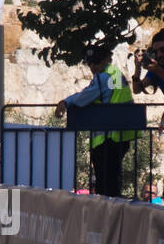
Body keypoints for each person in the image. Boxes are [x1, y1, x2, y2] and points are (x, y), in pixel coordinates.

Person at [55, 41, 136, 198]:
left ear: (106, 59)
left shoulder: (102, 78)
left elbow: (82, 99)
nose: (93, 67)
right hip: (121, 136)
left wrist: (65, 102)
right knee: (113, 182)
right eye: (89, 63)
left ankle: (106, 217)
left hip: (107, 139)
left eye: (96, 62)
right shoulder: (116, 75)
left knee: (105, 186)